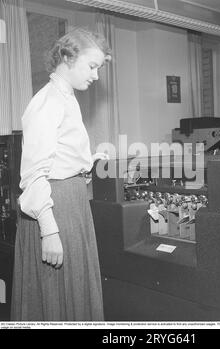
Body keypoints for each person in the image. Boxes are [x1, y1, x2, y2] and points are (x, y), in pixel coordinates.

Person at [11, 28, 111, 321]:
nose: (95, 76)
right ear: (67, 57)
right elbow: (33, 174)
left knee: (74, 289)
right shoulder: (47, 101)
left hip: (70, 201)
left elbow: (56, 156)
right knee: (58, 295)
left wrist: (84, 162)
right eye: (92, 66)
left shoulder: (65, 97)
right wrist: (49, 231)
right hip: (55, 208)